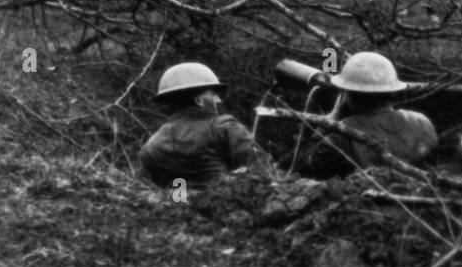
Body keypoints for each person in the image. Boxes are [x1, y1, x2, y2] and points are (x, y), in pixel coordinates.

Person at [301, 52, 437, 177]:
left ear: (347, 94)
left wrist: (324, 126)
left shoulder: (343, 134)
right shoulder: (422, 122)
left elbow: (305, 167)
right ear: (392, 91)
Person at [140, 62, 269, 191]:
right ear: (199, 100)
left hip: (178, 208)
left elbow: (158, 193)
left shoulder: (150, 147)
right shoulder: (224, 127)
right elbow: (264, 172)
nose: (218, 100)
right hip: (229, 207)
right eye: (213, 94)